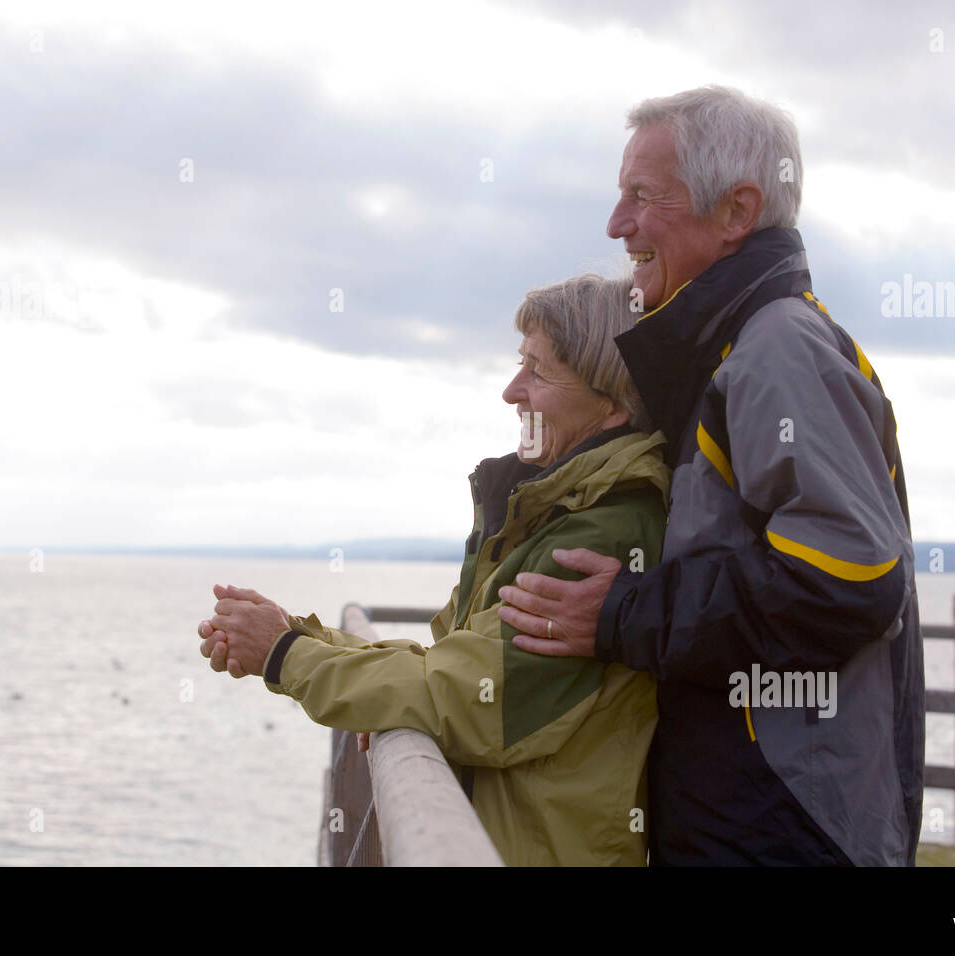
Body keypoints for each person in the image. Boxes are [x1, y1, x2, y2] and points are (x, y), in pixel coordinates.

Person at [497, 86, 925, 866]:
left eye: (641, 196)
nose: (616, 223)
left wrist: (626, 612)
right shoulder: (729, 350)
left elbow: (849, 579)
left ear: (736, 212)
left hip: (788, 828)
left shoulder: (778, 347)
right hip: (751, 814)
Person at [199, 275, 671, 866]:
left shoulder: (603, 532)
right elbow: (450, 664)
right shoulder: (549, 514)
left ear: (615, 404)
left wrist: (283, 654)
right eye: (519, 364)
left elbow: (464, 698)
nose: (511, 391)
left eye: (540, 371)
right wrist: (295, 634)